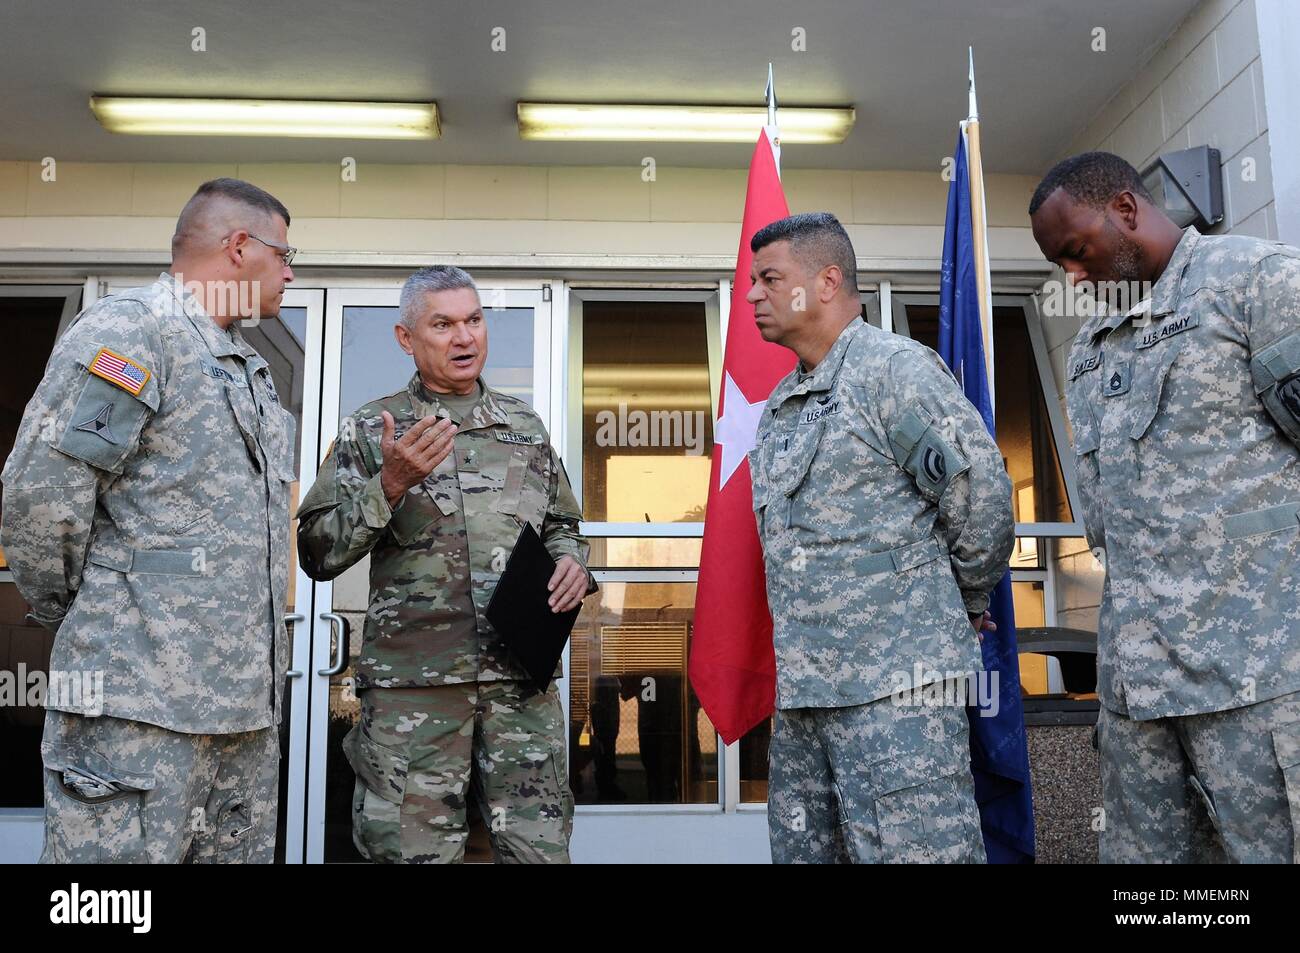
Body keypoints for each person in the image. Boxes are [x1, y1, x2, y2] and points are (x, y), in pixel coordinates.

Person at [1, 177, 297, 862]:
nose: (289, 272)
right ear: (239, 246)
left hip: (240, 718)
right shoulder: (132, 333)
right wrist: (95, 615)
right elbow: (42, 498)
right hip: (133, 709)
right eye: (285, 253)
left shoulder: (248, 368)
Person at [1030, 151, 1300, 863]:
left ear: (1125, 209)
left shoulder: (1256, 282)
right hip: (1138, 702)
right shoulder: (1091, 349)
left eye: (1076, 251)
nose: (1074, 277)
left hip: (1257, 689)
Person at [296, 265, 594, 863]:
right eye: (444, 324)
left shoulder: (524, 428)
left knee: (539, 852)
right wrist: (390, 483)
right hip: (416, 696)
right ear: (407, 338)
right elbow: (316, 551)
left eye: (475, 320)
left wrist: (572, 564)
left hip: (521, 687)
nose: (465, 338)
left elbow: (563, 527)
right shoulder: (370, 430)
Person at [746, 212, 1013, 863]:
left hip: (898, 690)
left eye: (769, 279)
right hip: (810, 694)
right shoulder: (784, 402)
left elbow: (982, 503)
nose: (753, 295)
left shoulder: (893, 374)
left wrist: (965, 604)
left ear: (827, 281)